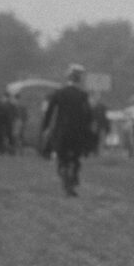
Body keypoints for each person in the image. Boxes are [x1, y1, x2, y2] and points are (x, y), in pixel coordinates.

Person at [42, 65, 97, 197]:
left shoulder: (59, 93)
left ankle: (65, 178)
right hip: (77, 132)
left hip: (61, 131)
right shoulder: (83, 95)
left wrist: (45, 127)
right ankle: (72, 177)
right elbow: (89, 114)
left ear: (68, 78)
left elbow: (49, 112)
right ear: (78, 80)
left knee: (62, 158)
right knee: (75, 157)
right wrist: (88, 130)